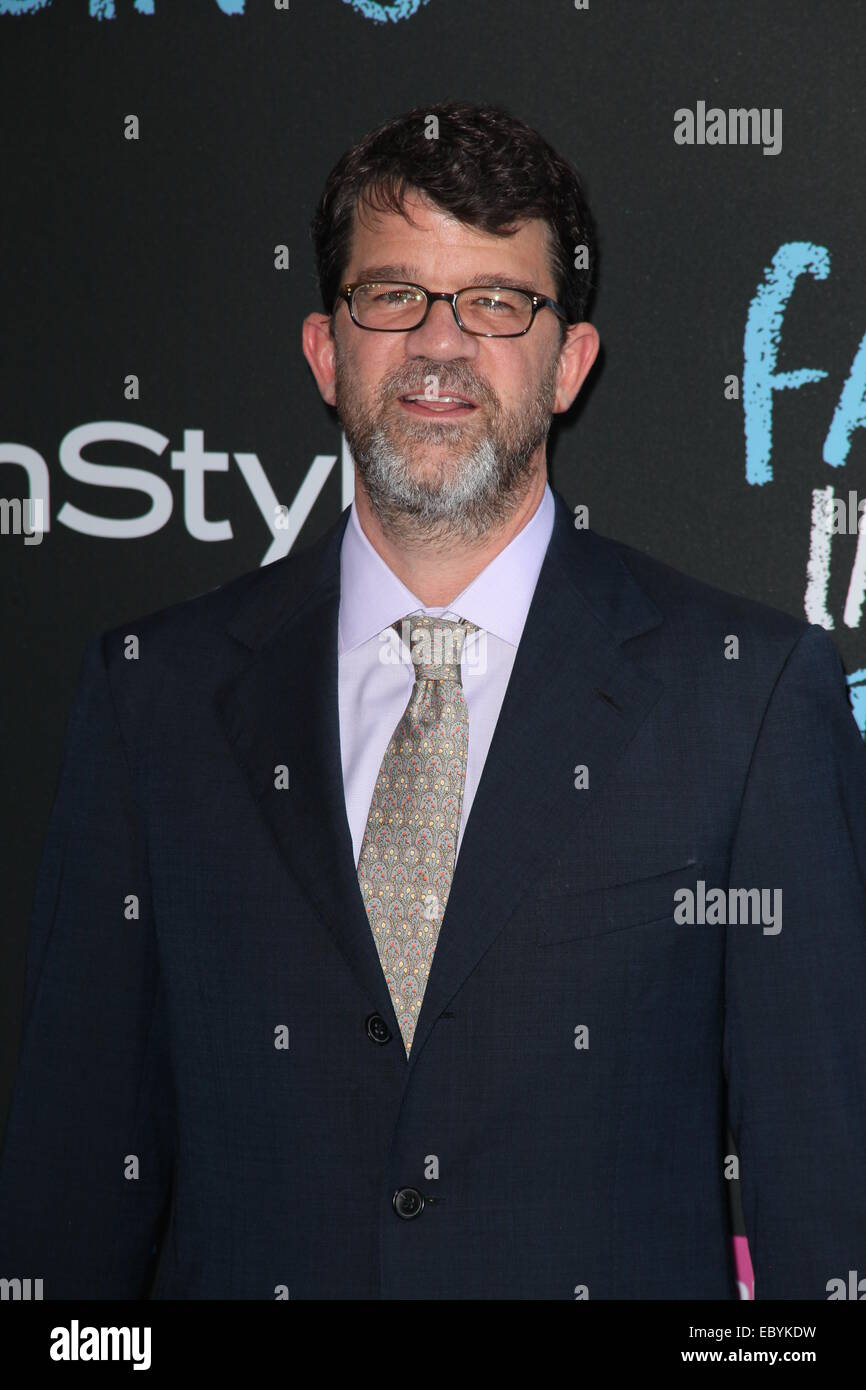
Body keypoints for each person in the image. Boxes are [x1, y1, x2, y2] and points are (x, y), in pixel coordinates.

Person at [2, 100, 865, 1300]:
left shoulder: (747, 699)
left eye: (496, 303)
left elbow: (826, 1208)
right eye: (393, 295)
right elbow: (70, 1191)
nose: (439, 344)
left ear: (568, 364)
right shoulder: (155, 699)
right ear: (325, 350)